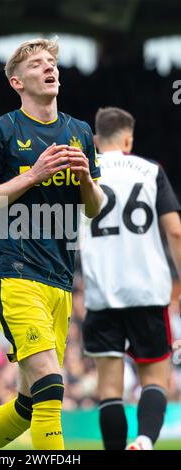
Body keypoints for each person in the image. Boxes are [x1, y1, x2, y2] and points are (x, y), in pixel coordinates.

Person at [0, 38, 103, 450]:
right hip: (17, 275)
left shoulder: (80, 132)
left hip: (60, 282)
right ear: (17, 81)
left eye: (53, 62)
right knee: (51, 385)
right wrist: (32, 176)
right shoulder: (1, 130)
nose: (50, 68)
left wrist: (86, 181)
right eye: (39, 64)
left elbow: (93, 208)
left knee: (28, 404)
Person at [80, 107, 181, 450]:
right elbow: (176, 232)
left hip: (102, 293)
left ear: (95, 139)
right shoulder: (151, 171)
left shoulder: (84, 173)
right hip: (148, 291)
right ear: (128, 139)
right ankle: (143, 440)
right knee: (155, 379)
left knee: (110, 389)